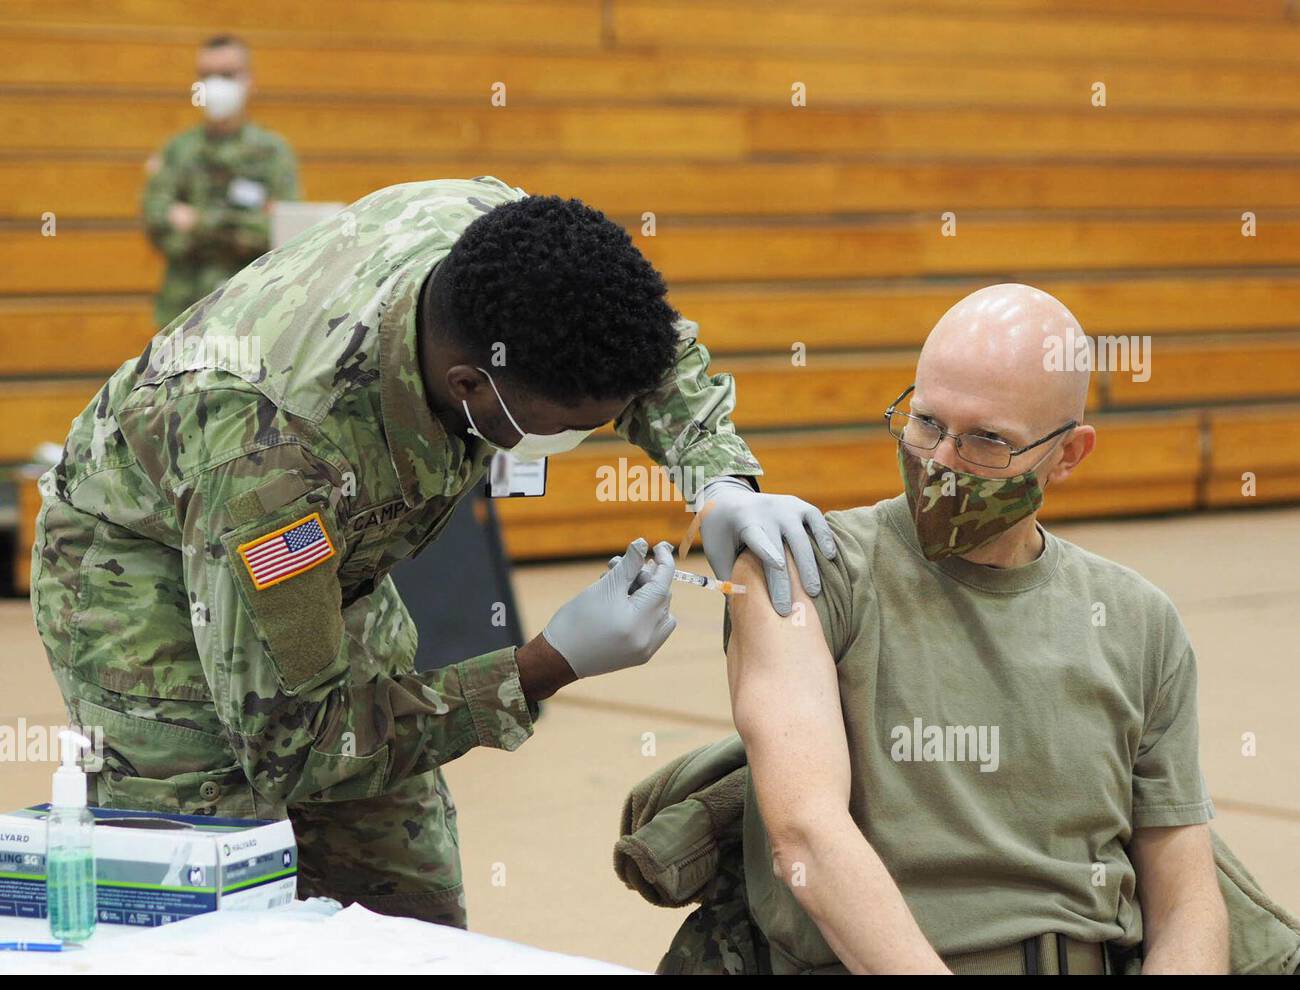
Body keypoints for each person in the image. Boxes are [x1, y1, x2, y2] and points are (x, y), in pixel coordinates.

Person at [30, 176, 834, 928]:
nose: (581, 438)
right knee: (217, 888)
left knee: (403, 893)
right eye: (568, 424)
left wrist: (720, 480)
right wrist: (547, 662)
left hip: (326, 543)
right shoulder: (274, 457)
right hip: (140, 573)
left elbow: (650, 353)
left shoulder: (497, 240)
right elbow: (301, 746)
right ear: (468, 386)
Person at [722, 283, 1229, 974]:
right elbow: (806, 837)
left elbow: (1187, 900)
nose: (941, 461)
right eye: (926, 421)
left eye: (988, 439)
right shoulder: (807, 570)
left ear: (1070, 454)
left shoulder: (1138, 620)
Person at [142, 34, 299, 327]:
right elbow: (157, 224)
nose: (215, 84)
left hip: (251, 311)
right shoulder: (178, 150)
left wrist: (197, 221)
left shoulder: (273, 152)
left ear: (249, 82)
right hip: (182, 313)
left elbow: (281, 234)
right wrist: (242, 226)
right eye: (206, 75)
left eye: (227, 74)